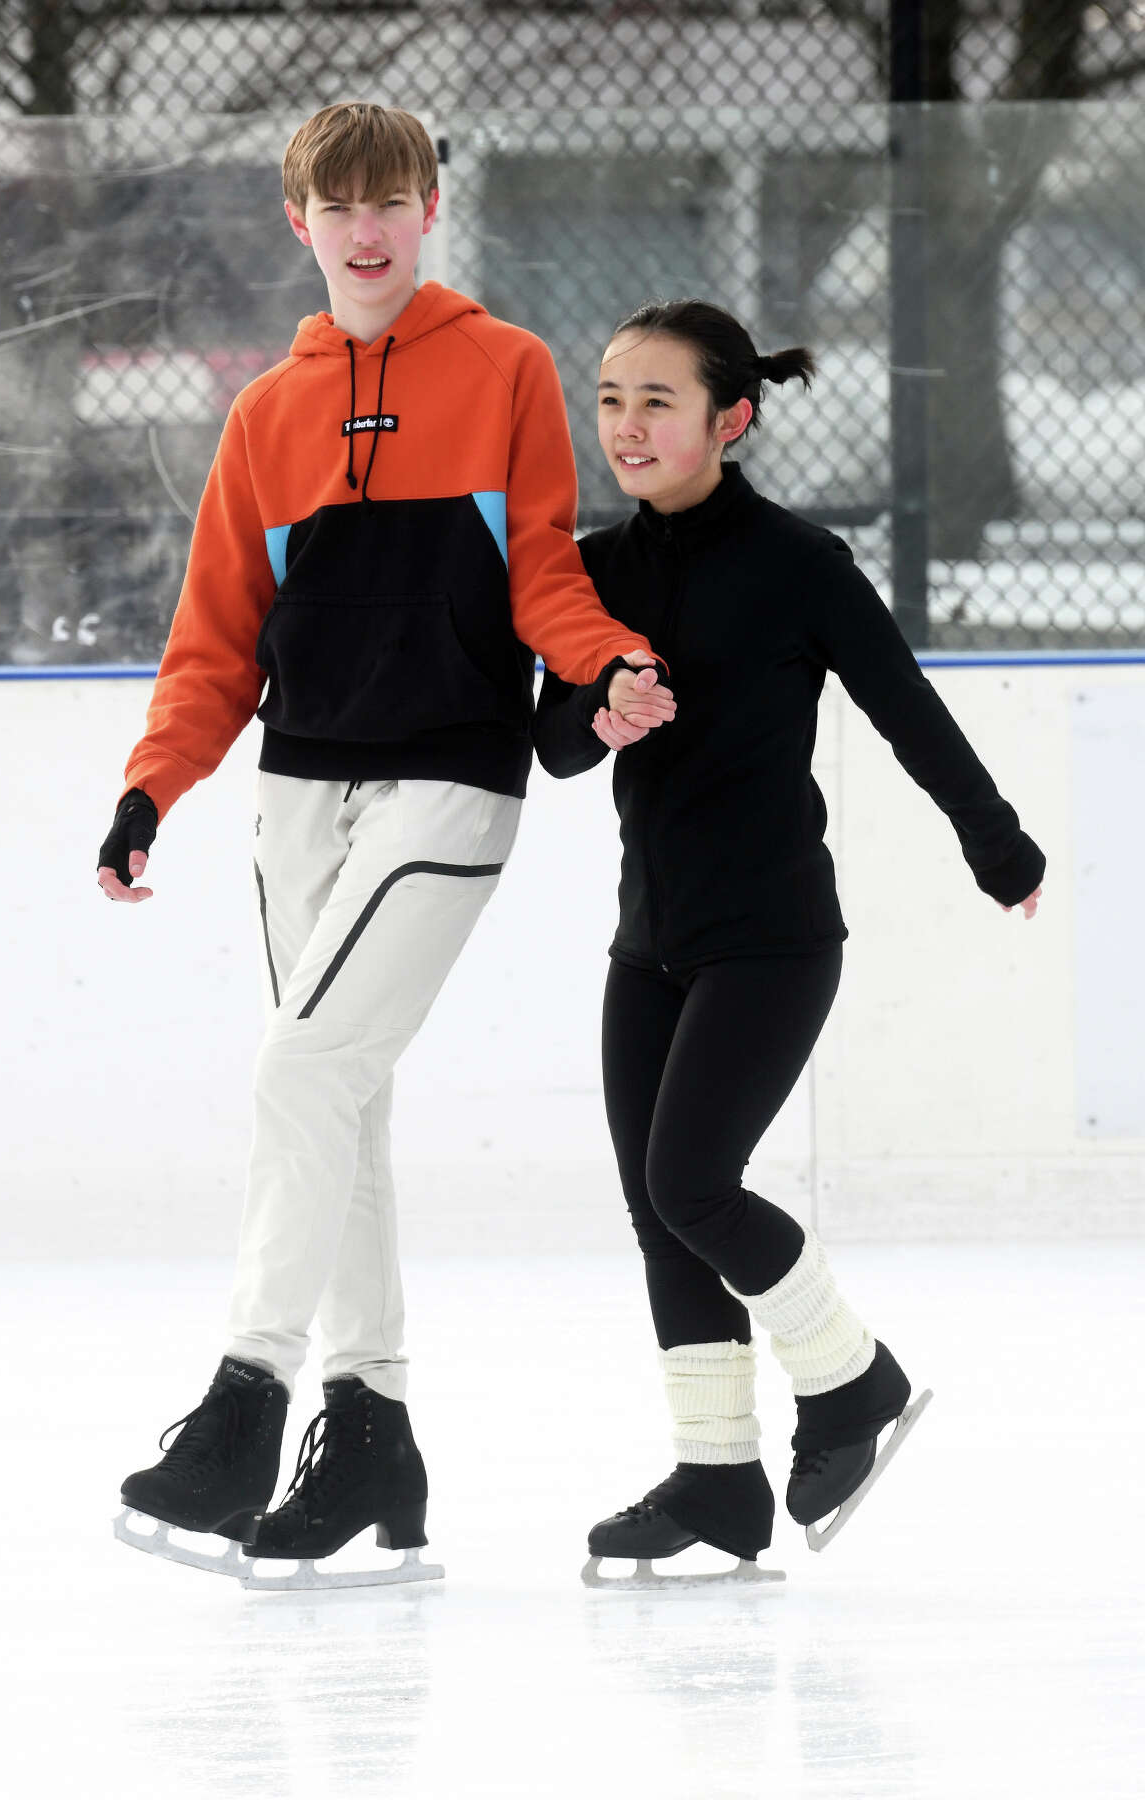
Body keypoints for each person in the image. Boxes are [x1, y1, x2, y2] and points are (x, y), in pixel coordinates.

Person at [98, 102, 677, 1579]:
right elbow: (217, 639)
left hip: (448, 782)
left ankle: (246, 1399)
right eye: (337, 207)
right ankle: (374, 1429)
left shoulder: (503, 370)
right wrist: (151, 787)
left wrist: (604, 658)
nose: (366, 231)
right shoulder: (265, 417)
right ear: (301, 224)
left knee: (301, 1067)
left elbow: (542, 566)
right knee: (337, 1096)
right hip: (300, 788)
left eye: (390, 202)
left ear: (430, 210)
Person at [533, 299, 1044, 1572]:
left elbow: (904, 708)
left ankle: (853, 1381)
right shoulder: (594, 571)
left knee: (690, 1182)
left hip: (771, 938)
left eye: (658, 399)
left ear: (731, 418)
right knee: (660, 1215)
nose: (628, 424)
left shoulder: (801, 562)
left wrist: (996, 842)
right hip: (647, 940)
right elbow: (546, 746)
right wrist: (602, 715)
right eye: (609, 398)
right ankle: (717, 1480)